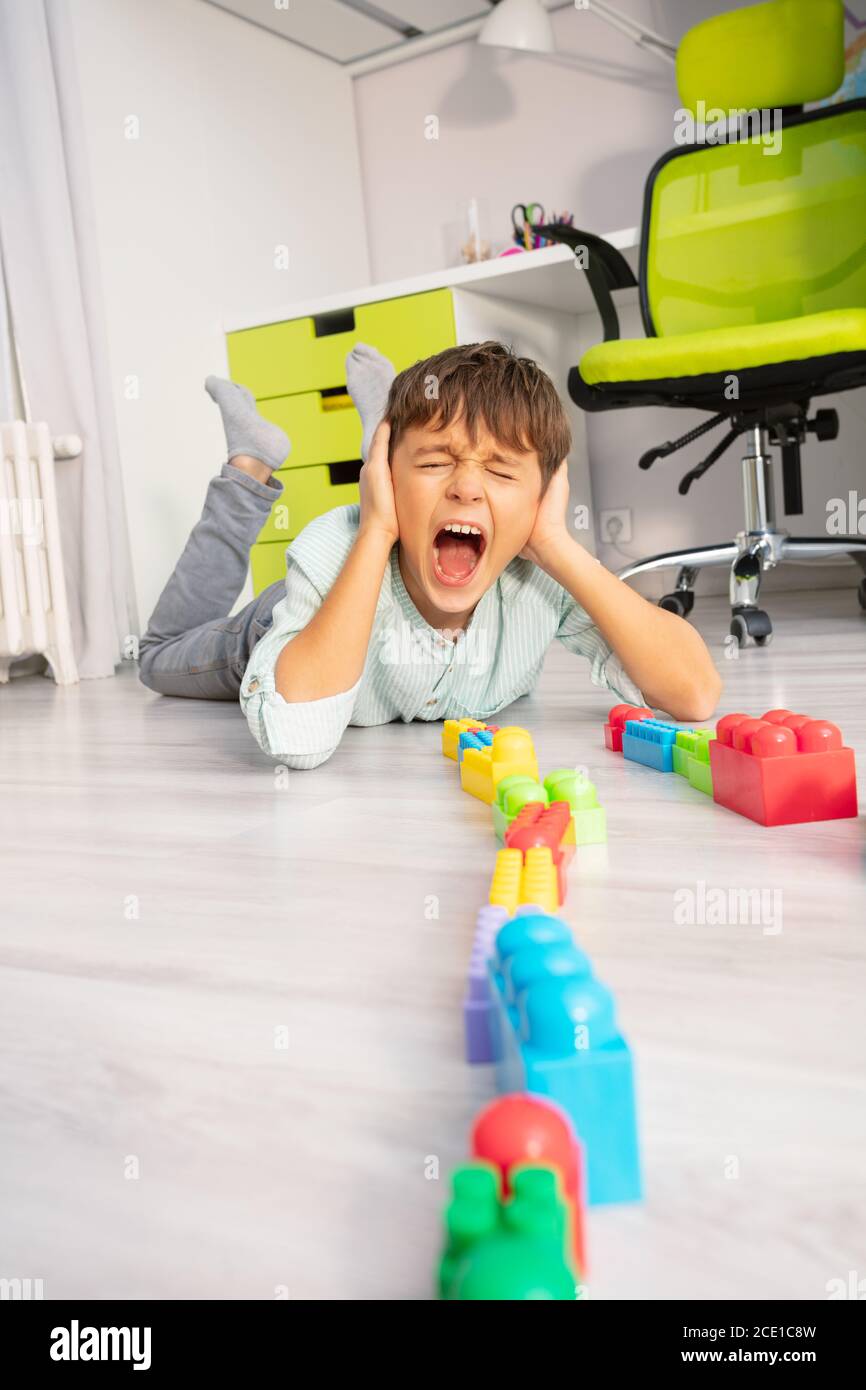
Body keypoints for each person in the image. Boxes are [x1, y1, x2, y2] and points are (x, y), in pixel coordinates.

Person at [139, 341, 721, 768]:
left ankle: (393, 437)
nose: (467, 487)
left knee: (438, 492)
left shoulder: (539, 580)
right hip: (300, 620)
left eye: (498, 470)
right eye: (436, 462)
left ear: (545, 493)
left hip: (426, 524)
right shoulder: (335, 546)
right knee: (155, 655)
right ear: (386, 483)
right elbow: (295, 735)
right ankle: (248, 468)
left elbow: (693, 694)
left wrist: (555, 544)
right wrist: (375, 531)